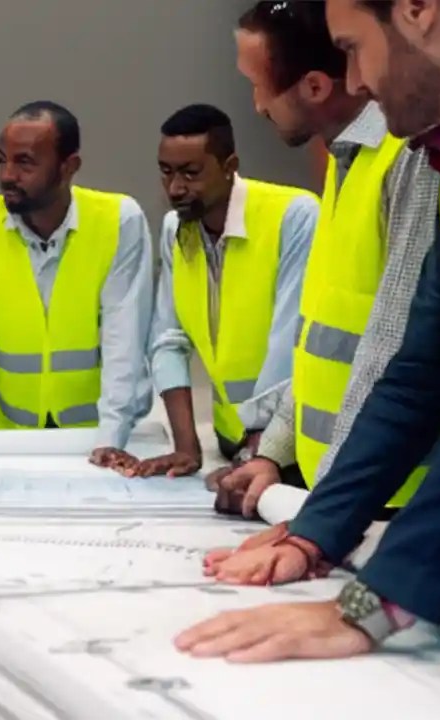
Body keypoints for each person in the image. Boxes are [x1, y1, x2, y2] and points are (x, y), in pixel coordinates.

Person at [177, 0, 440, 663]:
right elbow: (419, 374)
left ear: (416, 9)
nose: (352, 82)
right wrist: (318, 533)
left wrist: (370, 603)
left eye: (352, 47)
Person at [211, 0, 440, 517]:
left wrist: (327, 514)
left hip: (388, 502)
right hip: (339, 496)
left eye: (257, 85)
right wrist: (273, 454)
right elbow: (324, 345)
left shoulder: (407, 160)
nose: (254, 105)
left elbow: (394, 353)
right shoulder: (344, 162)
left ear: (315, 87)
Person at [0, 101, 154, 470]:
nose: (7, 175)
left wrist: (111, 438)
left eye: (25, 162)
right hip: (7, 438)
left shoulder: (119, 222)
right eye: (1, 159)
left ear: (69, 167)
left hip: (99, 434)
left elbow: (126, 340)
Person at [134, 103, 317, 480]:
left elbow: (290, 342)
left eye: (191, 173)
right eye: (166, 172)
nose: (175, 188)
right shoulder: (175, 228)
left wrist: (261, 452)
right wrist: (186, 447)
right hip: (233, 439)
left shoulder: (294, 215)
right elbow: (168, 339)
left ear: (230, 165)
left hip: (292, 440)